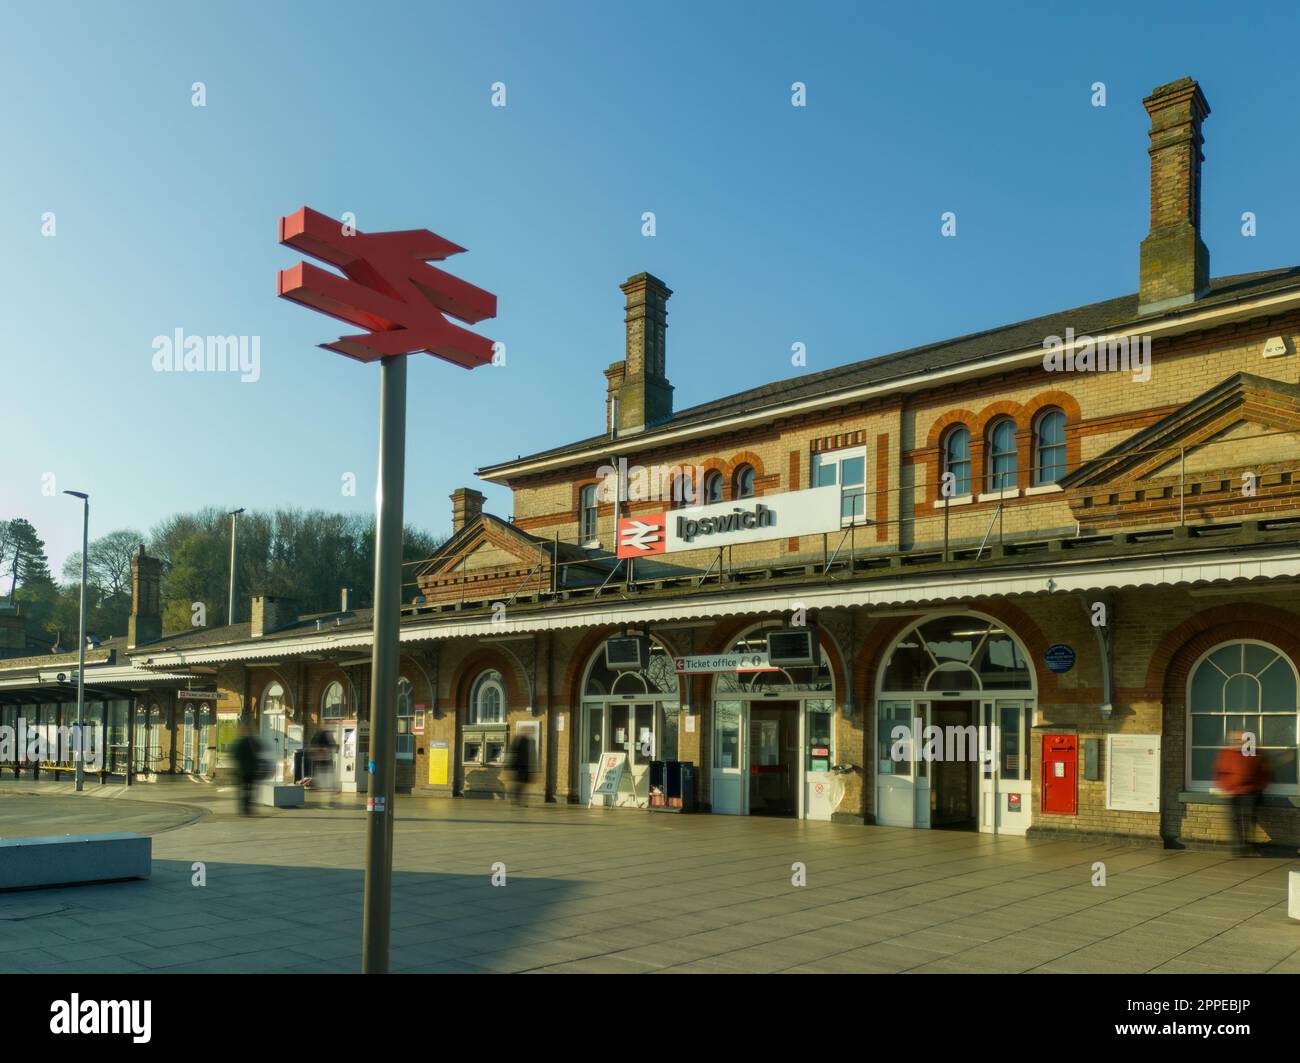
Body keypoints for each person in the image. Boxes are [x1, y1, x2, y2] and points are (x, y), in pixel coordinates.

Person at [1214, 731, 1271, 856]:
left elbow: (1264, 772)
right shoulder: (1226, 754)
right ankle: (1238, 848)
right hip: (1231, 793)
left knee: (1249, 819)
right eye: (1235, 740)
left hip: (1250, 792)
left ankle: (1248, 846)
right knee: (1235, 821)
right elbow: (1219, 773)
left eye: (1241, 741)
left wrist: (1258, 787)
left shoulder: (1256, 754)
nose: (1238, 743)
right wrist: (1224, 788)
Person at [232, 723, 265, 816]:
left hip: (242, 771)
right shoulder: (253, 741)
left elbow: (235, 755)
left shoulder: (239, 742)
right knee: (250, 790)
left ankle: (243, 809)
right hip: (251, 771)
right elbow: (261, 748)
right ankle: (248, 809)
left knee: (243, 790)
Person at [507, 733, 534, 806]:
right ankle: (517, 799)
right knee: (519, 785)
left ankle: (517, 799)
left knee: (521, 785)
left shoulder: (525, 743)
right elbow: (513, 756)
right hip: (519, 768)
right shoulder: (519, 743)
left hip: (523, 768)